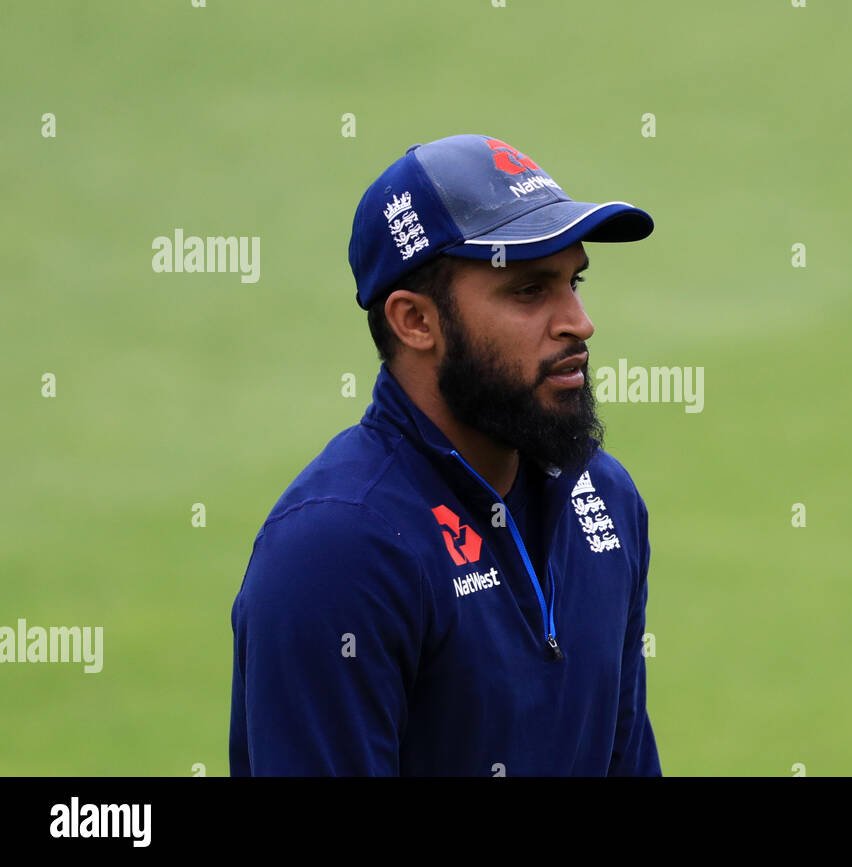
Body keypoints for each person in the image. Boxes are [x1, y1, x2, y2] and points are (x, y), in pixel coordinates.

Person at [228, 134, 660, 776]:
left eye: (575, 281)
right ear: (415, 322)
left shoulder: (604, 498)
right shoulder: (337, 551)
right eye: (529, 291)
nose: (579, 321)